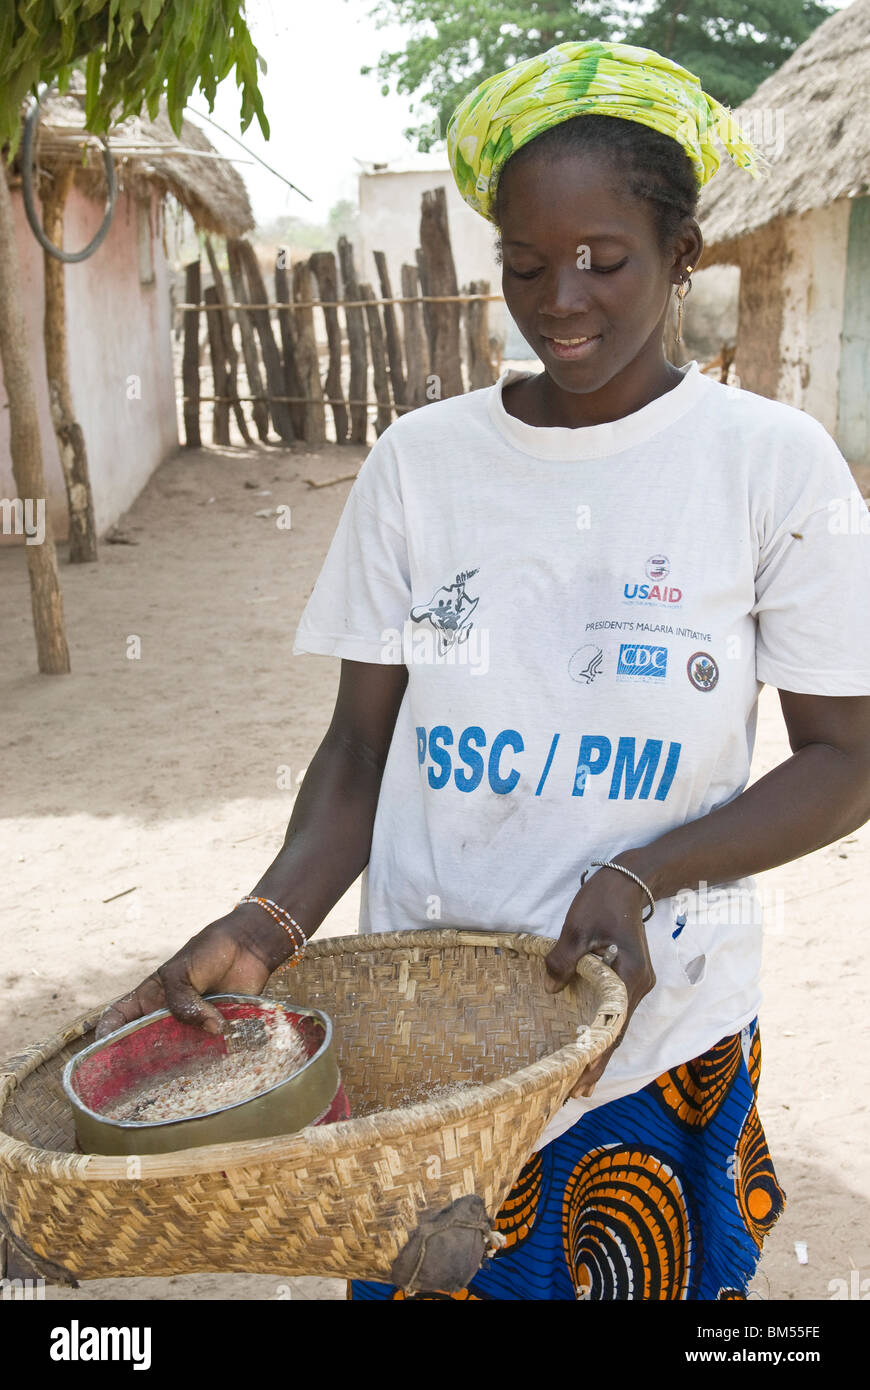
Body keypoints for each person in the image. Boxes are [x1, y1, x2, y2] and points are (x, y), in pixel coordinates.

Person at [98, 40, 870, 1301]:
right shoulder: (423, 463)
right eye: (523, 266)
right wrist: (267, 919)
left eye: (603, 262)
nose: (560, 300)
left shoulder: (769, 466)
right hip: (427, 1052)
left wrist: (643, 872)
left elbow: (848, 758)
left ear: (682, 258)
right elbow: (360, 750)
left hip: (649, 1038)